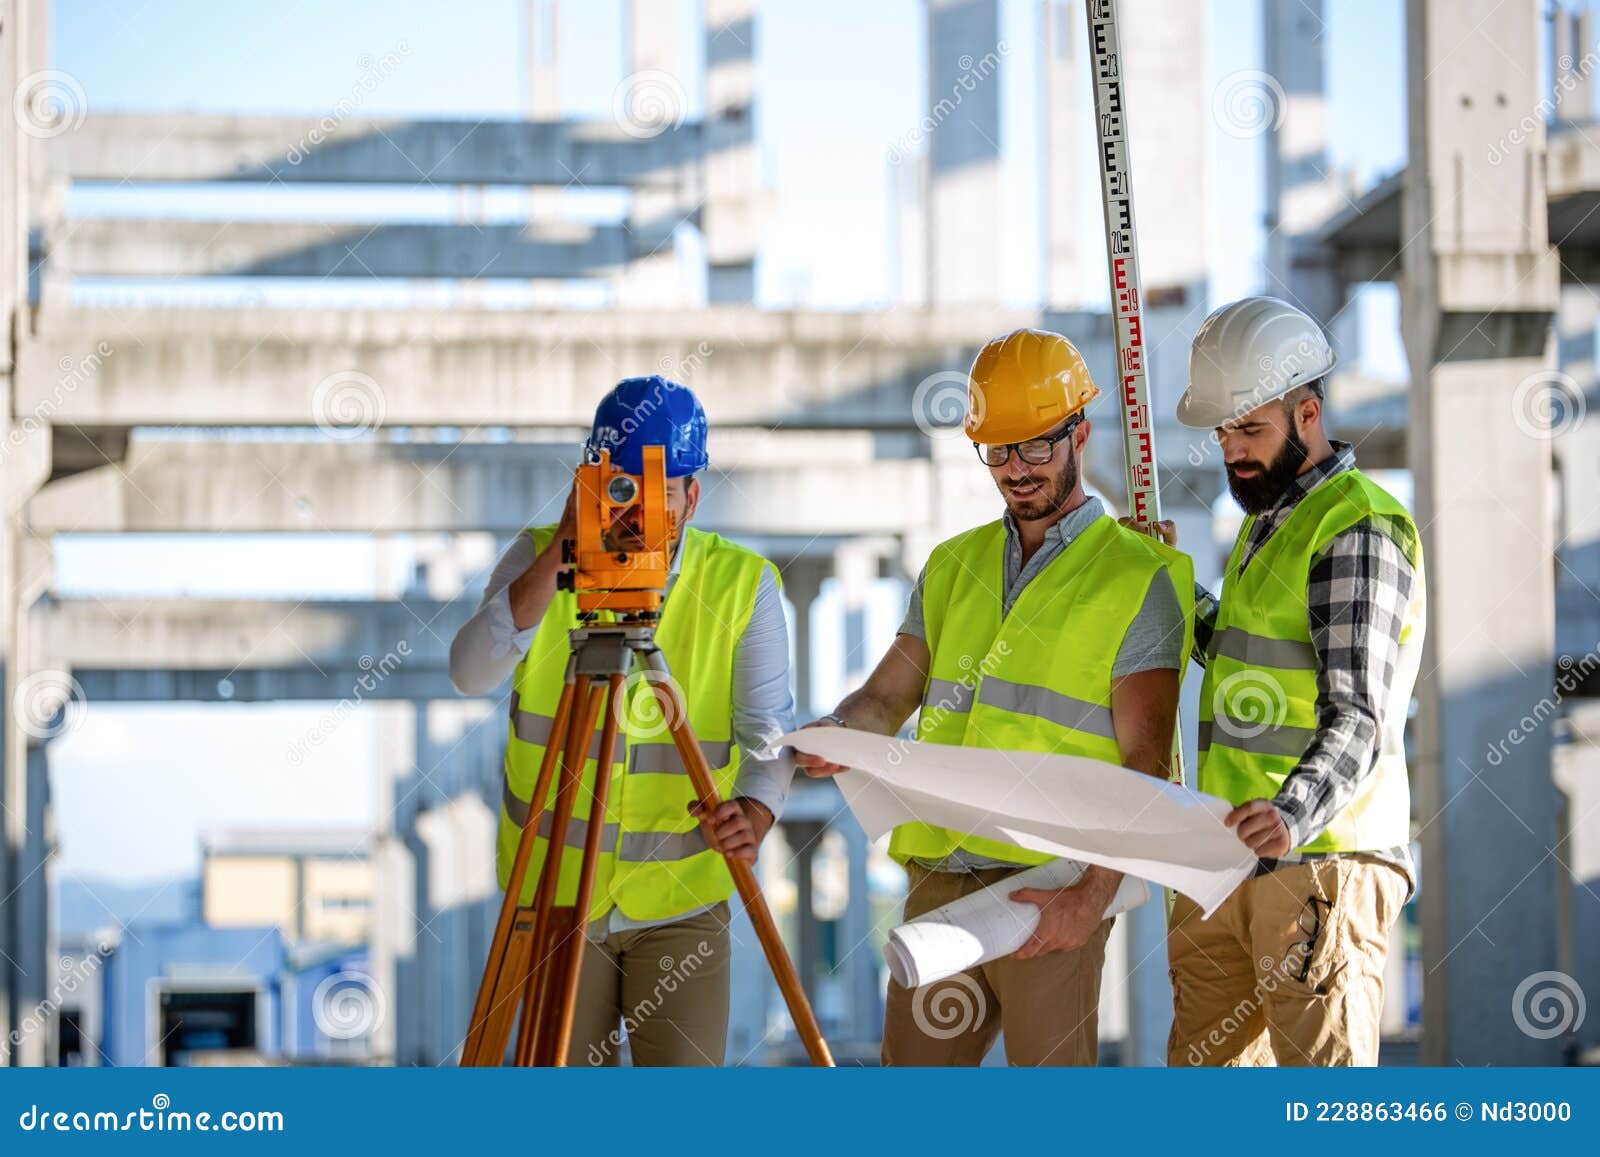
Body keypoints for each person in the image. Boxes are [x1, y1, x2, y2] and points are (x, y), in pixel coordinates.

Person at [796, 328, 1194, 1066]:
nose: (1016, 469)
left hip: (1049, 888)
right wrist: (834, 732)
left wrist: (1092, 896)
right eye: (998, 450)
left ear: (1081, 431)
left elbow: (1148, 759)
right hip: (940, 882)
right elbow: (886, 698)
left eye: (1036, 446)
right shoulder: (953, 565)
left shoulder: (1140, 574)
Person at [449, 375, 795, 1066]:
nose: (633, 504)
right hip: (553, 896)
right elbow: (469, 672)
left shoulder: (741, 584)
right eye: (618, 481)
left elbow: (769, 732)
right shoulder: (540, 557)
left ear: (692, 493)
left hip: (681, 904)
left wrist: (756, 807)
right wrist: (560, 558)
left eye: (654, 483)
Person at [1159, 296, 1424, 1066]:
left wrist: (1290, 811)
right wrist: (1169, 581)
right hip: (1233, 855)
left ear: (1307, 414)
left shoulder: (1356, 528)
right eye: (1223, 432)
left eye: (1251, 429)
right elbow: (1242, 654)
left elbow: (1358, 715)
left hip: (1319, 859)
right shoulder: (1265, 520)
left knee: (1319, 1112)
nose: (1232, 449)